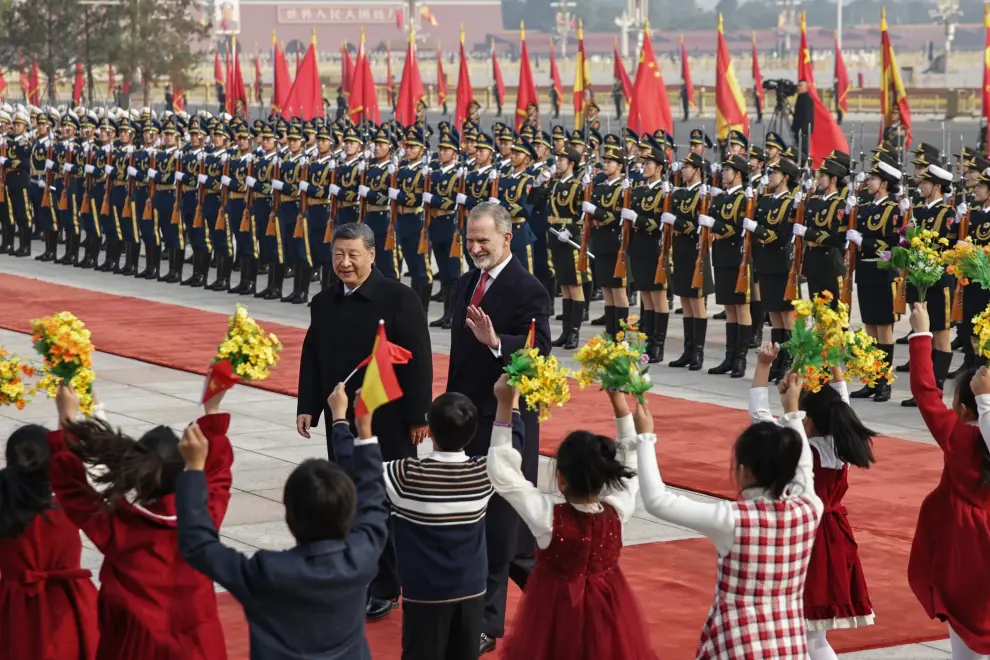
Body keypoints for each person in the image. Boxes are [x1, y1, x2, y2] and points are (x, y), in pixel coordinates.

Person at [177, 383, 388, 660]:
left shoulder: (268, 572)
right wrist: (363, 430)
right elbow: (374, 495)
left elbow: (199, 546)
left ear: (289, 517)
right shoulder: (362, 555)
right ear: (348, 512)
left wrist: (194, 470)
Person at [296, 221, 432, 621]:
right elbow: (312, 356)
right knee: (345, 500)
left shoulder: (399, 299)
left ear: (373, 255)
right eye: (338, 254)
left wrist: (418, 416)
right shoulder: (324, 302)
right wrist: (309, 405)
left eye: (354, 255)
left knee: (384, 503)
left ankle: (387, 586)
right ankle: (355, 576)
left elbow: (419, 359)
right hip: (342, 417)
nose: (345, 263)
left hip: (388, 419)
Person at [638, 371, 824, 658]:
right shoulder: (809, 509)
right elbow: (804, 467)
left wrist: (644, 438)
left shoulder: (734, 519)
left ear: (744, 472)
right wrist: (792, 412)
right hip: (789, 646)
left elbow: (658, 501)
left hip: (739, 644)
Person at [47, 384, 232, 659]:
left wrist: (67, 420)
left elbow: (70, 485)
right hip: (196, 644)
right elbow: (218, 474)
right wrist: (212, 413)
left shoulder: (119, 523)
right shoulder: (203, 518)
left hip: (135, 645)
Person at [446, 202, 551, 654]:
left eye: (483, 240)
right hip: (465, 417)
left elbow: (540, 354)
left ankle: (489, 622)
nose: (475, 248)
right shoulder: (466, 282)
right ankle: (553, 603)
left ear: (507, 238)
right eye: (470, 240)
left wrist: (497, 344)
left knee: (500, 526)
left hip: (506, 421)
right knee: (486, 525)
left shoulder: (529, 289)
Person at [487, 376, 655, 659]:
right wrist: (619, 403)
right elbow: (631, 465)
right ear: (605, 477)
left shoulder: (548, 520)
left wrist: (506, 406)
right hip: (608, 610)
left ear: (560, 478)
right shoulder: (618, 510)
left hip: (556, 612)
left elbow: (504, 474)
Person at [750, 346, 877, 660]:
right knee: (814, 633)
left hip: (805, 538)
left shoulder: (802, 450)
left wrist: (764, 365)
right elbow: (840, 399)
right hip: (834, 535)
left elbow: (759, 418)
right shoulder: (839, 441)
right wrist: (833, 363)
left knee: (807, 635)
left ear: (805, 419)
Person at [382, 392, 510, 660]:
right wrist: (509, 405)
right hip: (472, 591)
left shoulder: (406, 474)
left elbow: (357, 466)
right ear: (473, 433)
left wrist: (349, 423)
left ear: (430, 431)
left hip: (425, 594)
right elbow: (506, 450)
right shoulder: (483, 473)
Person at [908, 302, 990, 660]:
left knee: (962, 625)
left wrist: (922, 333)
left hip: (962, 547)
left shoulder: (958, 437)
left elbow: (926, 391)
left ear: (962, 407)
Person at [0, 424, 99, 660]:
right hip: (70, 604)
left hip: (18, 608)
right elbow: (75, 469)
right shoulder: (71, 505)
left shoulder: (5, 509)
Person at [845, 160, 902, 402]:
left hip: (883, 273)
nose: (869, 182)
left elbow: (891, 247)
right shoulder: (866, 207)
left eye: (874, 180)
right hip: (866, 274)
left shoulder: (893, 210)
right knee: (869, 329)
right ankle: (870, 379)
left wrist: (864, 243)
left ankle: (884, 382)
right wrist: (848, 213)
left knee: (883, 329)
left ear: (884, 184)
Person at [792, 80, 814, 161]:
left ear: (806, 87)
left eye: (801, 86)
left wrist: (803, 130)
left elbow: (807, 117)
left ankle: (805, 165)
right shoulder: (800, 97)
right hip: (798, 129)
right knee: (799, 149)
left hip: (803, 131)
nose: (799, 88)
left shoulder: (807, 99)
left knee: (804, 150)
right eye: (798, 86)